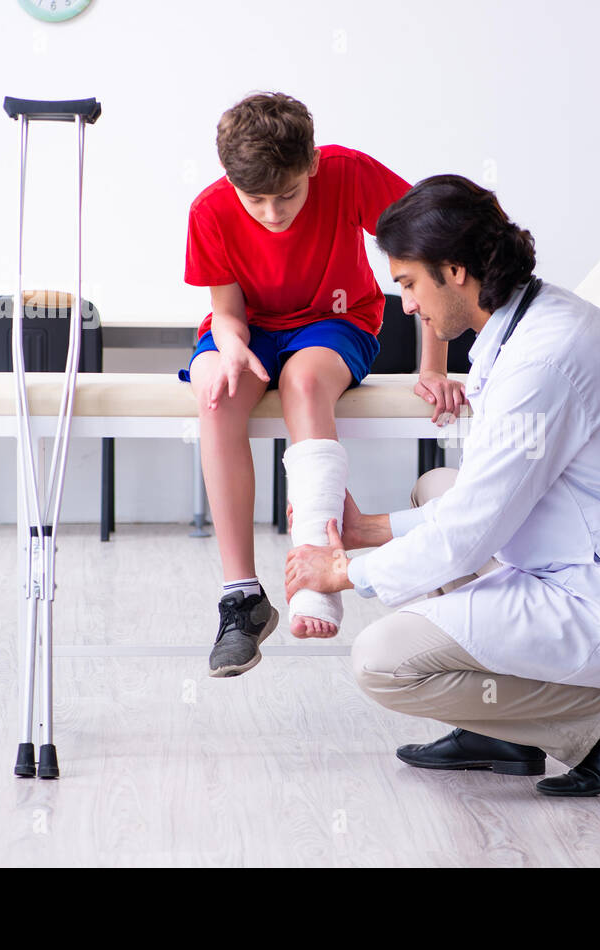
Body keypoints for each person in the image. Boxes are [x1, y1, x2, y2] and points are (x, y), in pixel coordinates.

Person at [284, 175, 600, 796]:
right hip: (585, 552)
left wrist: (344, 571)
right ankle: (500, 731)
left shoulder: (543, 360)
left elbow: (467, 537)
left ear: (454, 271)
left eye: (407, 284)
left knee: (383, 662)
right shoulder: (528, 321)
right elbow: (479, 501)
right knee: (436, 486)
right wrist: (368, 530)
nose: (406, 306)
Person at [176, 92, 466, 677]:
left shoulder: (348, 173)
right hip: (248, 328)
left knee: (303, 379)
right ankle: (242, 597)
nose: (272, 213)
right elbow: (227, 312)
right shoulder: (209, 209)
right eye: (254, 200)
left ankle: (319, 556)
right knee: (219, 392)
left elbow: (432, 253)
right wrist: (230, 346)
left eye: (286, 195)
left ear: (311, 165)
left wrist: (431, 366)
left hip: (337, 320)